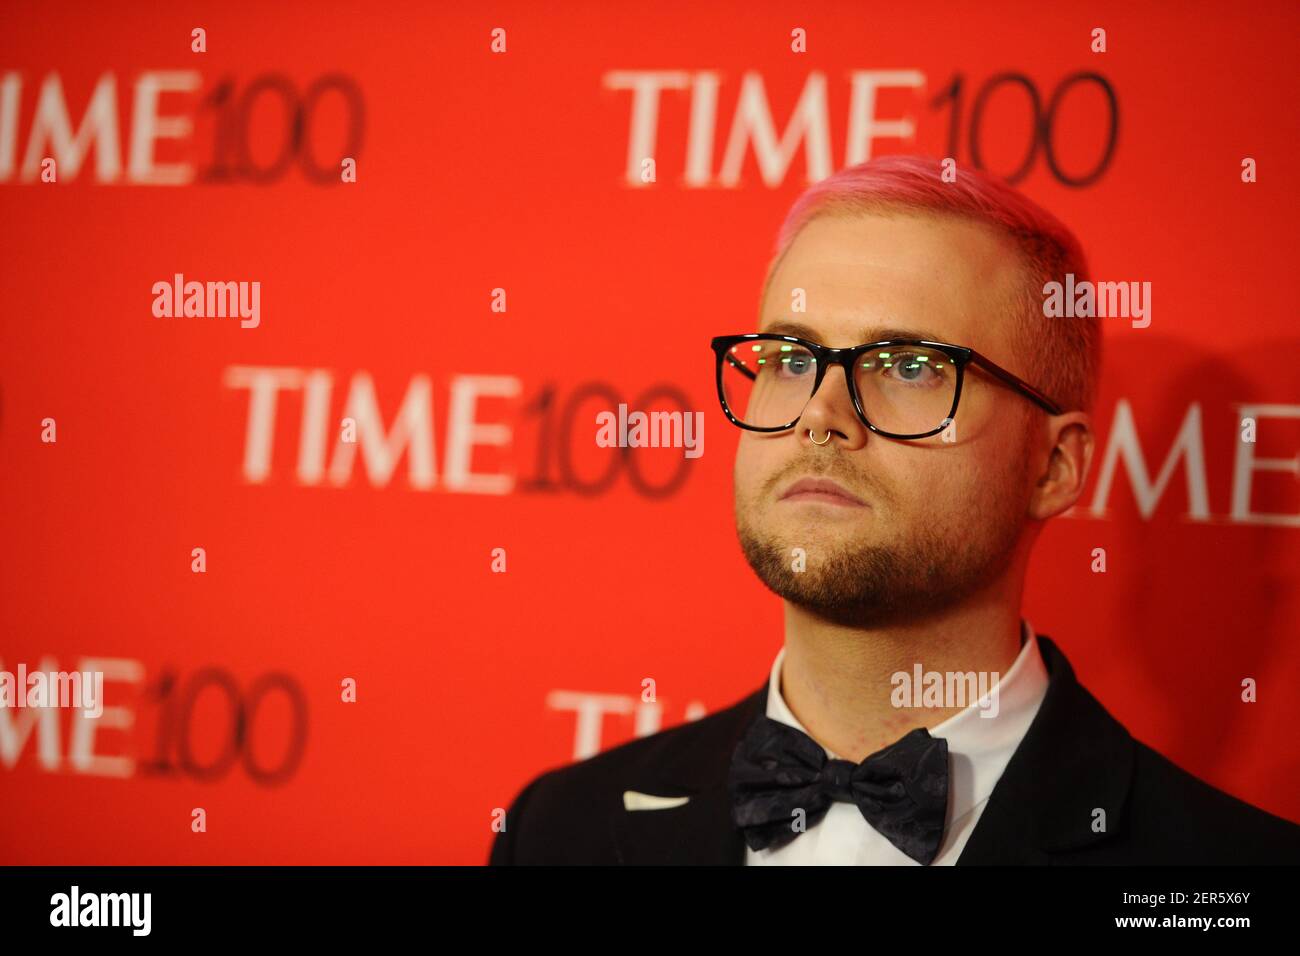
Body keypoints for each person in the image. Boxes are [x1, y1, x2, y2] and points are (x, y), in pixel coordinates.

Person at [489, 155, 1300, 865]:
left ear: (1053, 466)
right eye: (789, 356)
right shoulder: (561, 830)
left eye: (909, 366)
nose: (819, 413)